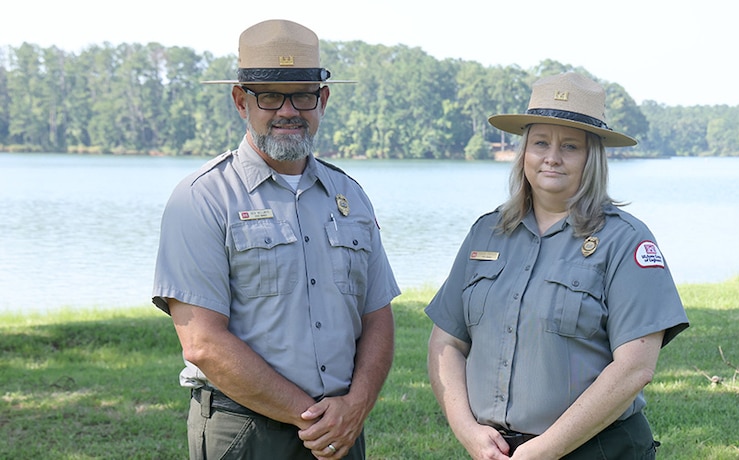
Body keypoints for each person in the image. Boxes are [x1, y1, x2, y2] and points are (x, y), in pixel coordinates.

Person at [152, 19, 400, 460]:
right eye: (269, 95)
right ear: (240, 101)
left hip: (342, 427)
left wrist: (355, 406)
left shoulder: (351, 197)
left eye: (302, 94)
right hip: (245, 430)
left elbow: (377, 316)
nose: (288, 111)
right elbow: (203, 343)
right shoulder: (202, 198)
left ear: (322, 99)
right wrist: (314, 418)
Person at [426, 72, 689, 460]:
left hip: (599, 450)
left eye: (569, 146)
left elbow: (635, 367)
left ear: (592, 157)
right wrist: (468, 431)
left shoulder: (626, 241)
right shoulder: (486, 233)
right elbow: (446, 342)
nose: (551, 157)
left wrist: (544, 450)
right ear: (524, 152)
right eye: (540, 143)